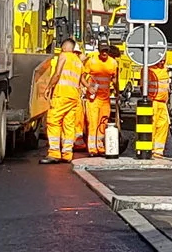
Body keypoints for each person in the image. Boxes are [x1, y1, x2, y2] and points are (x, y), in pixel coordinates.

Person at [44, 34, 86, 163]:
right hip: (73, 96)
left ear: (63, 47)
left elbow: (57, 74)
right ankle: (67, 153)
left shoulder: (63, 56)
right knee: (69, 124)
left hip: (61, 94)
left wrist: (49, 87)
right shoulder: (78, 62)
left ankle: (54, 153)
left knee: (53, 121)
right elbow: (81, 80)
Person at [81, 38, 124, 157]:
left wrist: (117, 92)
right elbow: (82, 77)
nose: (104, 53)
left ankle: (100, 145)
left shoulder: (113, 63)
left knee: (103, 122)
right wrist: (88, 87)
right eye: (102, 51)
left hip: (105, 98)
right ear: (98, 50)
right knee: (93, 123)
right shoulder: (92, 61)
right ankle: (92, 148)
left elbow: (115, 79)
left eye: (106, 50)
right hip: (93, 98)